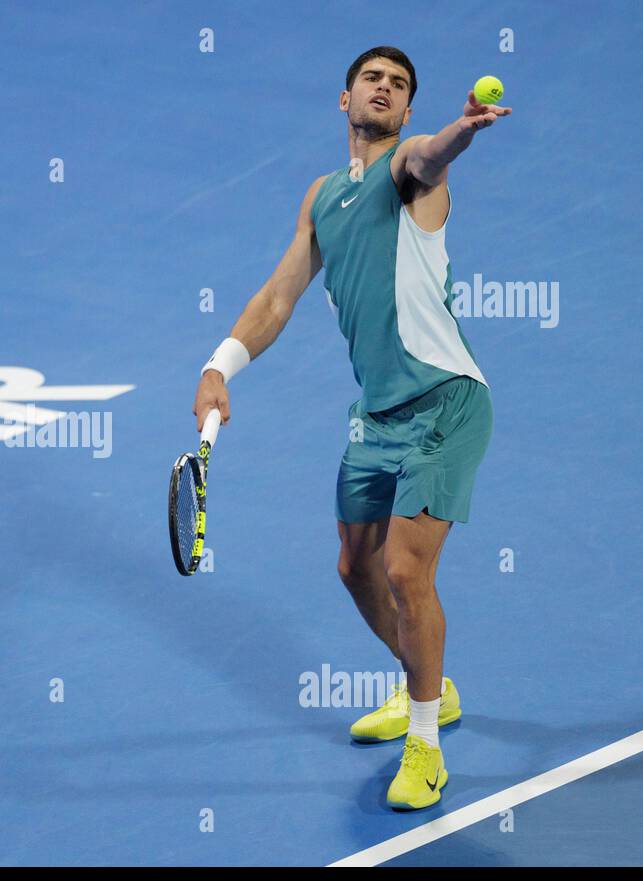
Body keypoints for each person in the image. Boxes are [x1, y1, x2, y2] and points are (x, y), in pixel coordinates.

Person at [191, 47, 510, 810]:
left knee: (406, 570)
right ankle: (429, 685)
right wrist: (218, 367)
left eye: (399, 87)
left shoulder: (412, 171)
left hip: (447, 403)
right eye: (374, 79)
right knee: (355, 566)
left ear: (405, 113)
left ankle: (426, 746)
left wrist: (460, 129)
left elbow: (433, 155)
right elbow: (277, 297)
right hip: (378, 414)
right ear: (345, 100)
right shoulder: (323, 196)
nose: (386, 90)